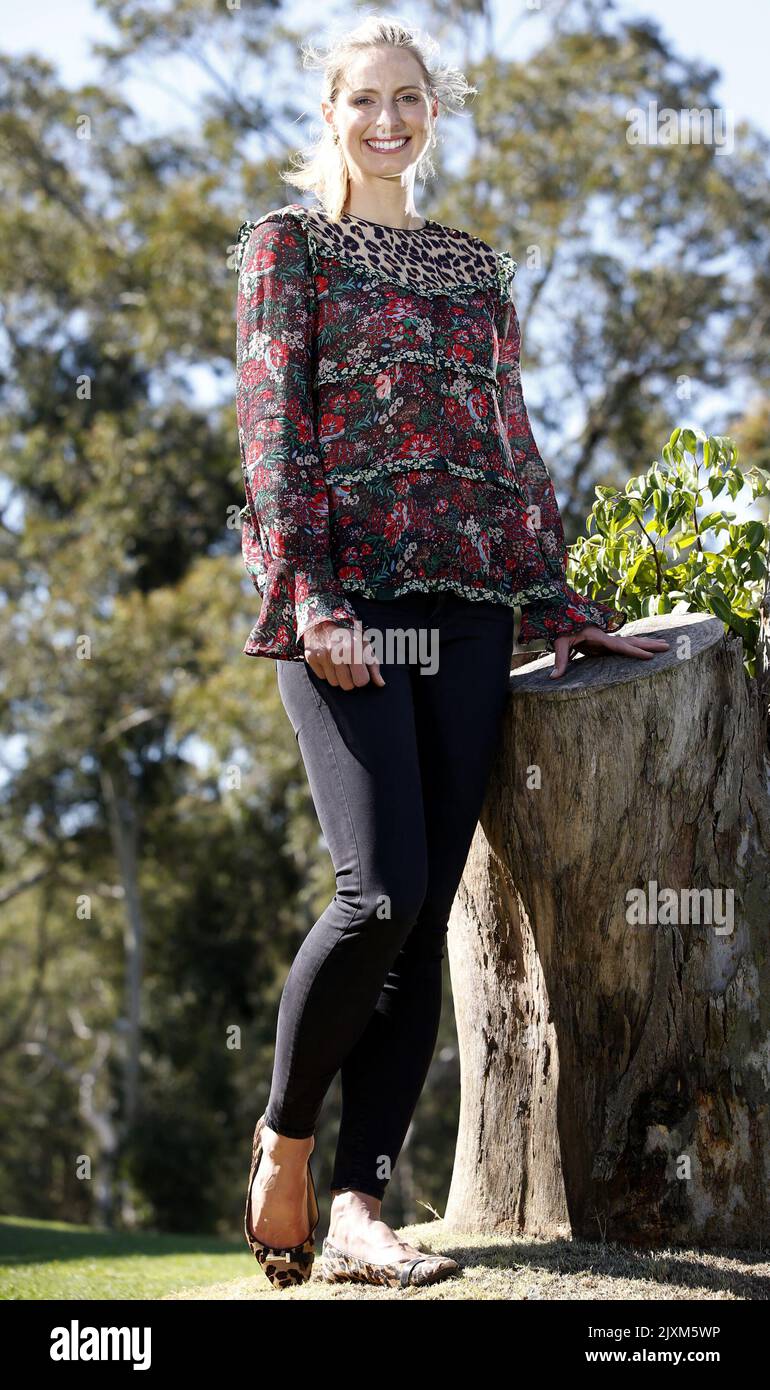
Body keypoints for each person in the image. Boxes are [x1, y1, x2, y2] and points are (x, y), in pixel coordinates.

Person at [235, 15, 668, 1291]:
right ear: (330, 115)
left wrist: (552, 594)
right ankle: (286, 1138)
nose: (386, 119)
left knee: (421, 921)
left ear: (434, 111)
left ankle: (363, 1207)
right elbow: (272, 431)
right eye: (362, 99)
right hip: (347, 609)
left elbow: (507, 440)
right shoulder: (287, 247)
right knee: (376, 889)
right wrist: (311, 596)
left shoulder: (474, 267)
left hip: (471, 606)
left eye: (407, 98)